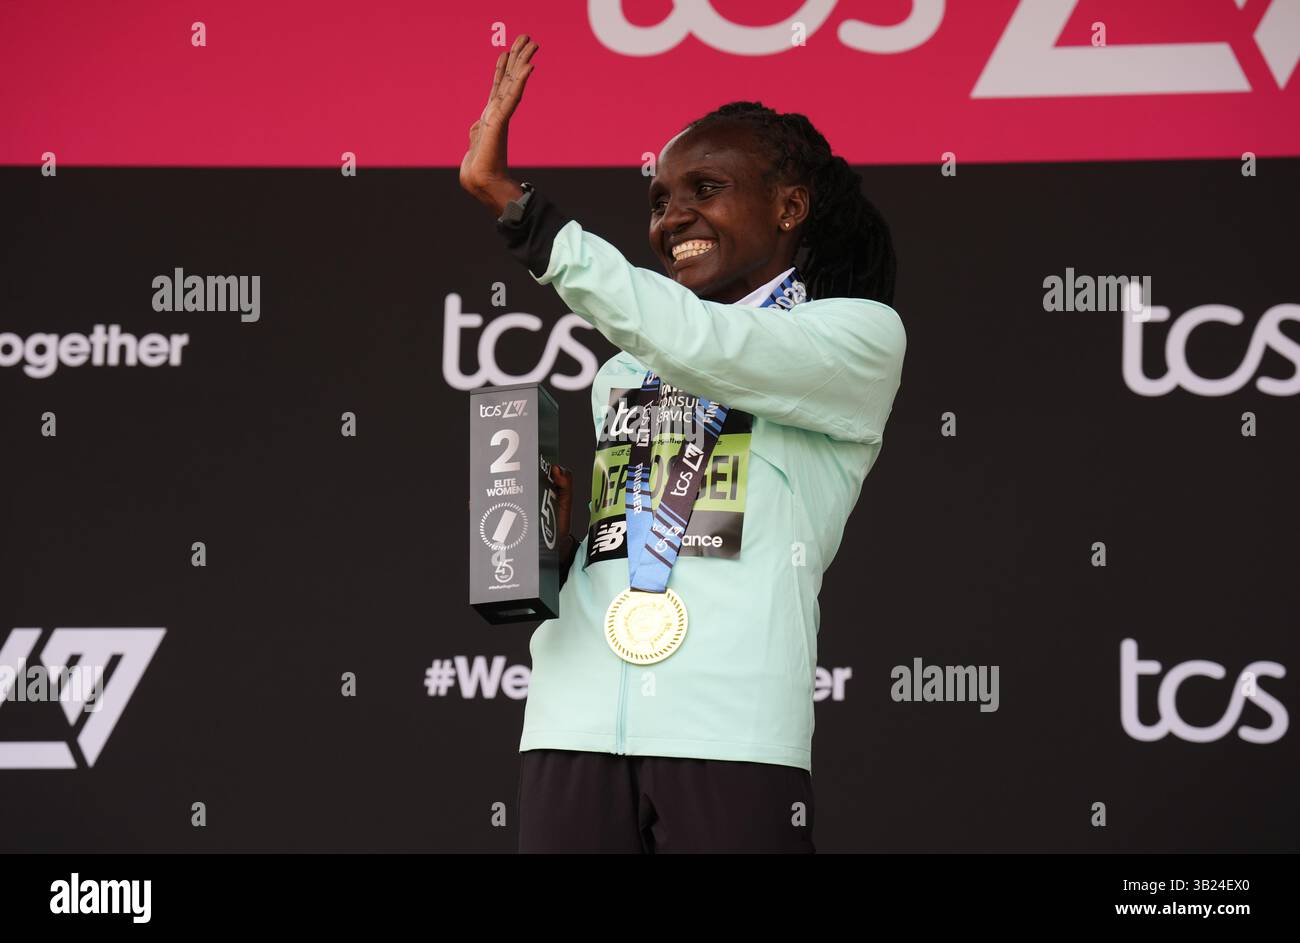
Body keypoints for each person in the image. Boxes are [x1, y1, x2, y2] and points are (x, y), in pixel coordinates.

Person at [460, 35, 905, 853]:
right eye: (661, 199)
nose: (674, 217)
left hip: (730, 732)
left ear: (790, 207)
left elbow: (717, 348)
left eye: (707, 189)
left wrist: (528, 219)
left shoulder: (855, 338)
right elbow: (635, 527)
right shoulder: (629, 366)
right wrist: (554, 544)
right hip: (572, 722)